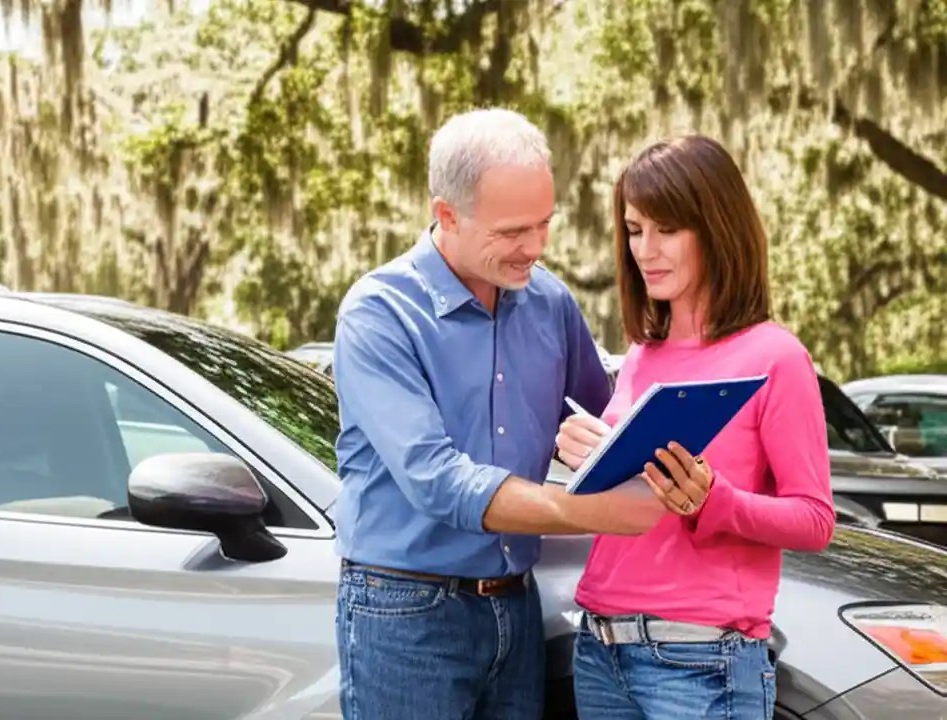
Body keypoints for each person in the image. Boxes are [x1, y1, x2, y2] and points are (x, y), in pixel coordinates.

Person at [330, 108, 704, 720]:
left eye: (544, 225)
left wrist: (656, 452)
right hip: (405, 613)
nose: (533, 248)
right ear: (446, 213)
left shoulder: (549, 301)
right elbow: (437, 479)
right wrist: (592, 513)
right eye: (511, 232)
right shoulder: (379, 314)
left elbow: (606, 423)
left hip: (517, 609)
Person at [556, 134, 836, 719]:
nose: (646, 250)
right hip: (601, 650)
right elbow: (624, 500)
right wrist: (583, 454)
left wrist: (715, 500)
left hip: (700, 661)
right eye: (635, 230)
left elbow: (814, 520)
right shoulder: (641, 355)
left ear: (716, 227)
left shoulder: (776, 357)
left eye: (668, 229)